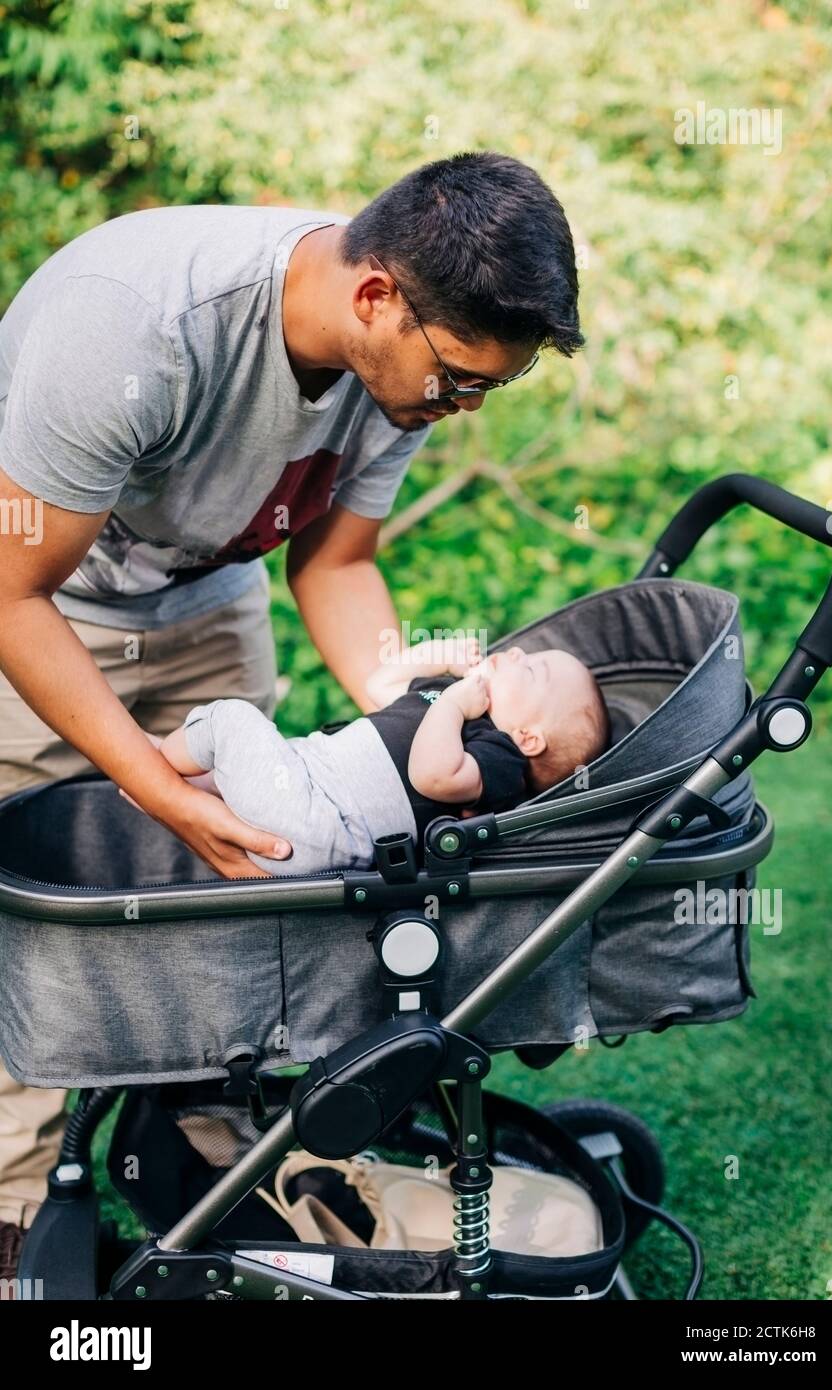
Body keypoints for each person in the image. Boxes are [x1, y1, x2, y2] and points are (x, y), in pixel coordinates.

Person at [0, 150, 583, 1286]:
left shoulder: (397, 356)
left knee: (227, 910)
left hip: (211, 604)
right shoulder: (134, 327)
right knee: (40, 920)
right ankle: (21, 1204)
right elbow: (12, 595)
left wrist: (415, 727)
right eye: (458, 383)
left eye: (485, 392)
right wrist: (156, 784)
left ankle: (200, 1157)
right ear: (375, 297)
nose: (457, 411)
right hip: (48, 604)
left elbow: (338, 560)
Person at [143, 638, 610, 875]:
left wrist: (453, 705)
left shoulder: (499, 756)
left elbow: (433, 777)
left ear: (529, 737)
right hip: (305, 787)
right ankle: (187, 782)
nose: (514, 652)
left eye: (529, 668)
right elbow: (379, 689)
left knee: (233, 720)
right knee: (260, 750)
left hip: (324, 826)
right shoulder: (451, 700)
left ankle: (156, 765)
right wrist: (436, 658)